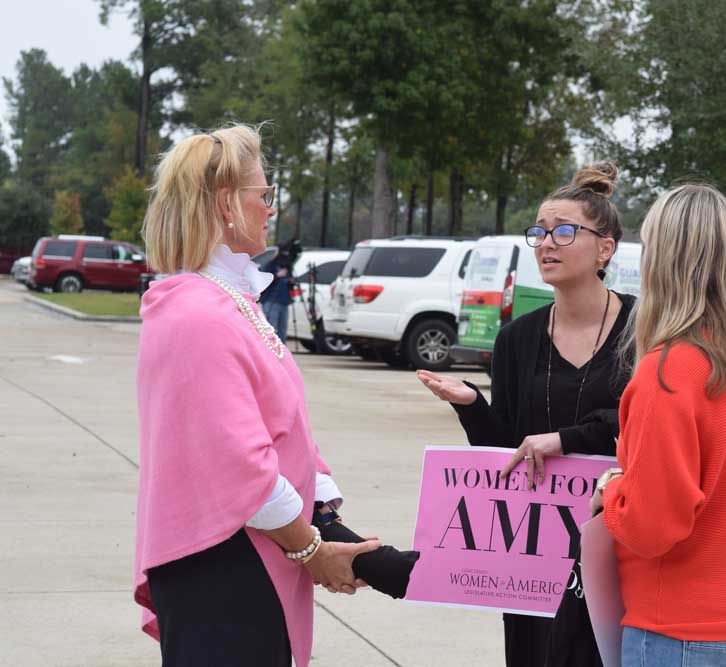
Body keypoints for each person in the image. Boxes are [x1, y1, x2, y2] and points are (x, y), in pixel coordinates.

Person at [133, 124, 412, 667]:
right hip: (224, 565)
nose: (271, 208)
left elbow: (284, 432)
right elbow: (240, 464)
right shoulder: (196, 312)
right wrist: (312, 550)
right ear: (225, 204)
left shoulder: (232, 301)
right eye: (264, 195)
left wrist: (334, 528)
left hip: (255, 551)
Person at [416, 162, 634, 667]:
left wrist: (565, 439)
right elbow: (507, 450)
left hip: (623, 537)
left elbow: (643, 424)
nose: (546, 244)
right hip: (534, 548)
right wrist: (472, 405)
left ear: (606, 248)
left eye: (564, 231)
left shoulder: (644, 327)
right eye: (539, 232)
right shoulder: (517, 337)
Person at [589, 184, 726, 666]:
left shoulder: (670, 372)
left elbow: (651, 529)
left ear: (662, 260)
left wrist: (614, 489)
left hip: (685, 630)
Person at [260, 241, 295, 342]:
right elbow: (264, 280)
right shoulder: (271, 265)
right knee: (271, 327)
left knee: (283, 329)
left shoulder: (288, 267)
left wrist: (291, 282)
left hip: (284, 301)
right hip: (272, 300)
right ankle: (270, 349)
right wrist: (277, 276)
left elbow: (290, 283)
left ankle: (282, 350)